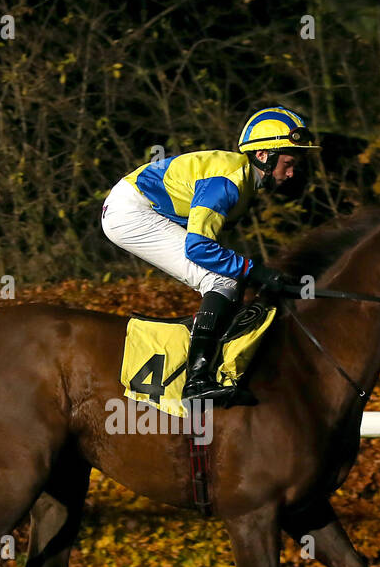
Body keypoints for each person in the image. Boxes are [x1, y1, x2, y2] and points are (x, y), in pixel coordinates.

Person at [101, 106, 319, 404]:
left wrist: (254, 274)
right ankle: (197, 381)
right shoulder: (229, 182)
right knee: (222, 279)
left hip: (134, 206)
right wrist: (258, 271)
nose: (292, 173)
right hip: (131, 212)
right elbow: (199, 248)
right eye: (289, 163)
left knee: (230, 279)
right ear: (263, 155)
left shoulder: (244, 181)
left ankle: (210, 364)